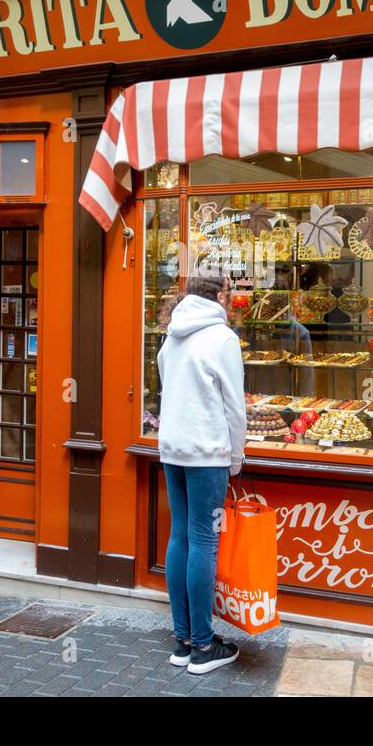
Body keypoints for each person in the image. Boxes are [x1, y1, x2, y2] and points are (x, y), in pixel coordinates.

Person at [156, 268, 245, 675]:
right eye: (230, 290)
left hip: (173, 450)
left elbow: (166, 388)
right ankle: (204, 647)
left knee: (180, 537)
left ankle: (183, 641)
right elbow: (234, 406)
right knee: (204, 542)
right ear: (219, 295)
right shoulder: (222, 338)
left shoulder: (171, 337)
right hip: (207, 453)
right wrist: (236, 458)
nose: (232, 297)